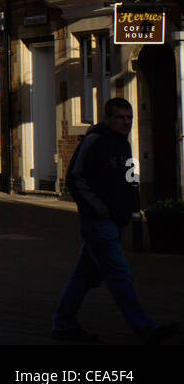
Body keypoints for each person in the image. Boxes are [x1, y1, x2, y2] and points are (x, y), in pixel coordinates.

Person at [53, 97, 179, 344]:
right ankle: (146, 329)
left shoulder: (124, 143)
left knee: (84, 276)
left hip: (116, 220)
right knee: (120, 276)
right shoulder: (94, 141)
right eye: (120, 117)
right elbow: (75, 178)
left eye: (129, 117)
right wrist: (99, 209)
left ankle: (64, 321)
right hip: (99, 223)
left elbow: (129, 174)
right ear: (107, 118)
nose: (126, 122)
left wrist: (133, 207)